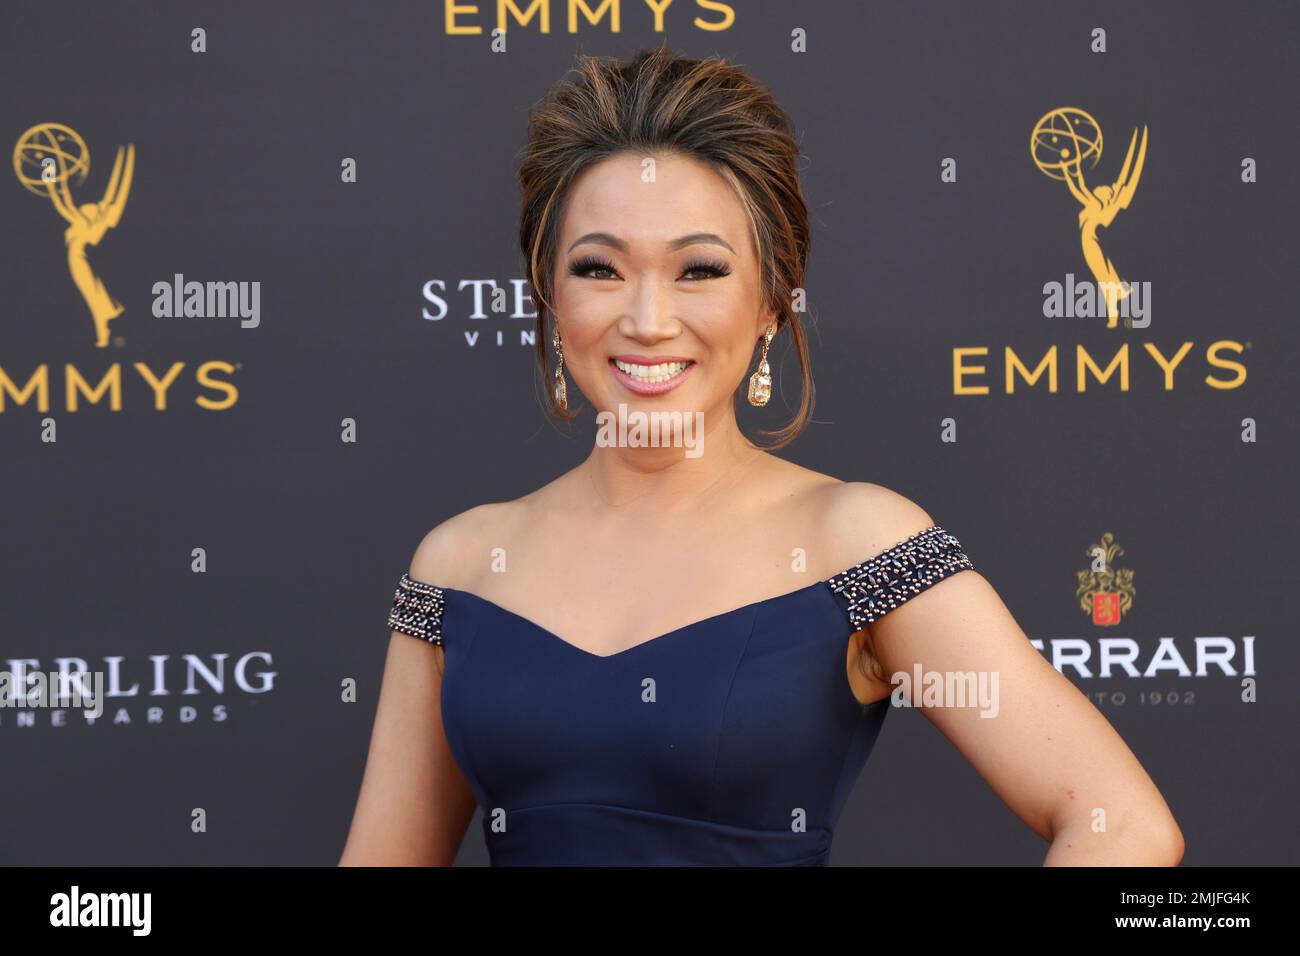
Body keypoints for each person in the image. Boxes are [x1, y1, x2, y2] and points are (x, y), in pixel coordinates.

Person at [339, 45, 1183, 867]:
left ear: (775, 299)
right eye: (599, 268)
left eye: (698, 270)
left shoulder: (859, 544)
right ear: (549, 295)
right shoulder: (458, 568)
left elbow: (1122, 826)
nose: (647, 318)